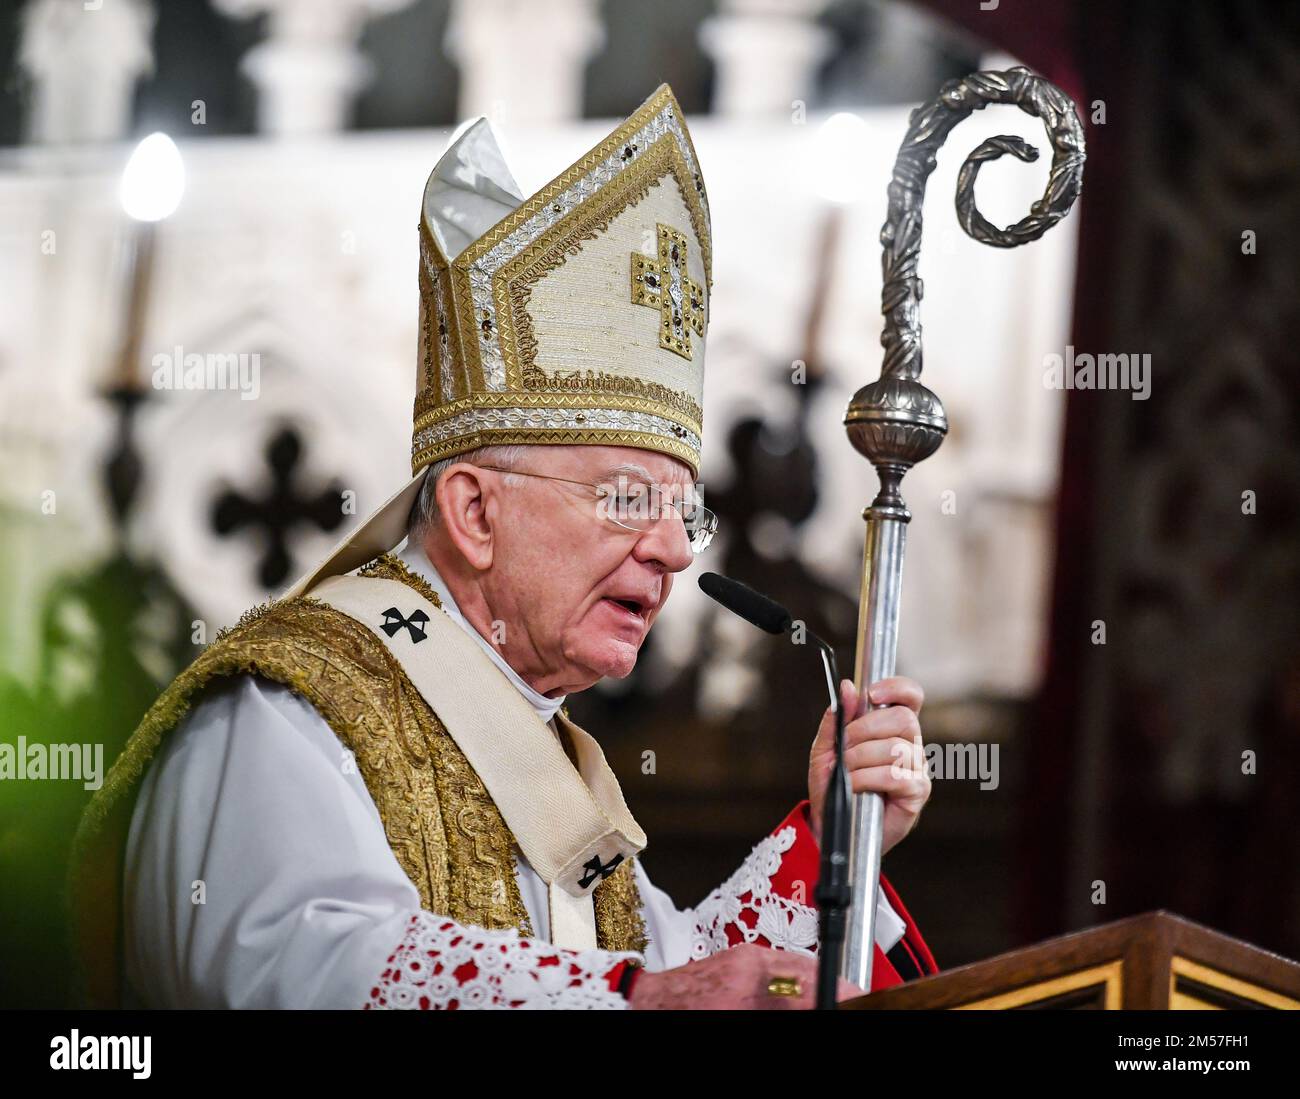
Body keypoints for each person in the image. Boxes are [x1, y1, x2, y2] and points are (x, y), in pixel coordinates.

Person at [70, 85, 937, 1010]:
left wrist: (834, 836)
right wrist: (643, 997)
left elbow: (678, 966)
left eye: (686, 514)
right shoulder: (289, 711)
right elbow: (290, 966)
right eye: (628, 500)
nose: (675, 553)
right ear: (474, 511)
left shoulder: (543, 749)